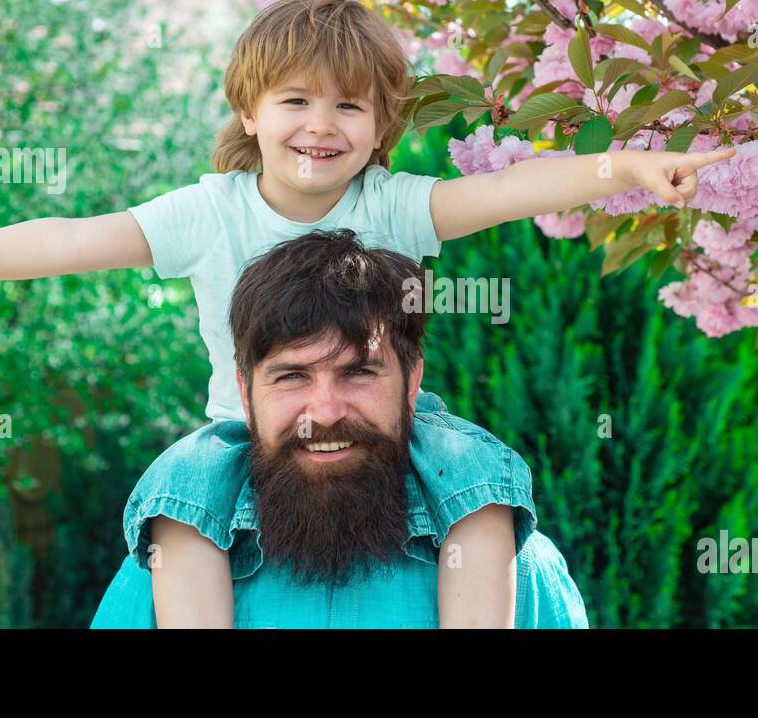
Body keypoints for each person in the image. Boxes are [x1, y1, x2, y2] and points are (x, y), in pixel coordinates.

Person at [0, 0, 732, 627]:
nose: (321, 125)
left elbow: (512, 189)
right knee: (179, 509)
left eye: (349, 107)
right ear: (250, 112)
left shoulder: (394, 204)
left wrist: (625, 166)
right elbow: (66, 238)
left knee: (485, 490)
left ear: (381, 126)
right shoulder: (207, 212)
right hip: (241, 431)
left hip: (392, 423)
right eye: (295, 101)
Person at [92, 229, 588, 628]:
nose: (325, 412)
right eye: (291, 376)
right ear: (245, 393)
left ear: (412, 382)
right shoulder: (163, 572)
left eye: (359, 372)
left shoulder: (517, 572)